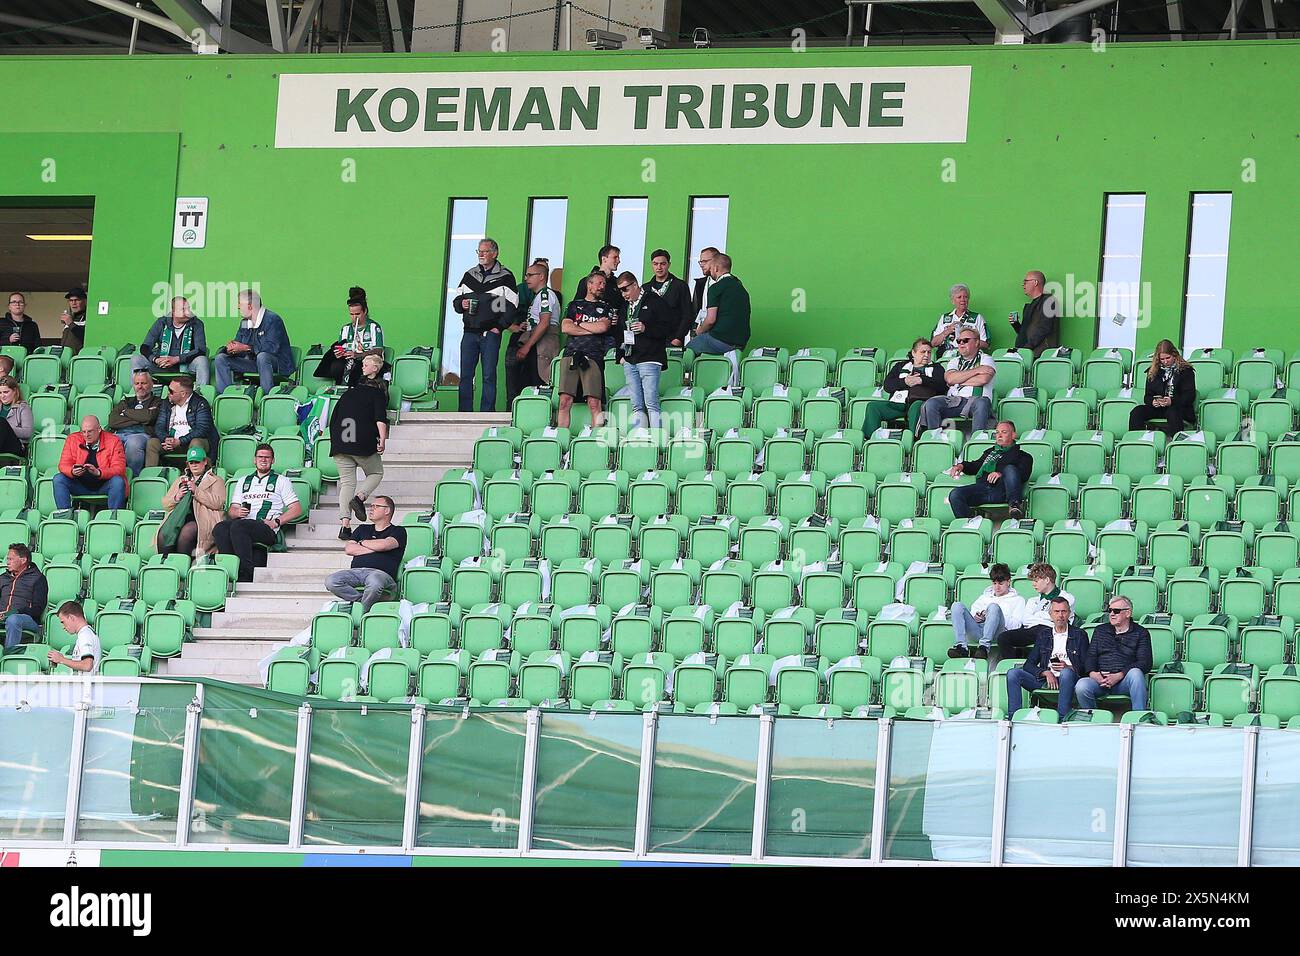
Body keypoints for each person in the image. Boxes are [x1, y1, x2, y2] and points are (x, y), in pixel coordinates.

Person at [212, 443, 302, 583]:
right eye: (260, 457)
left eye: (267, 457)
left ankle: (245, 573)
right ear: (254, 459)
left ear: (273, 460)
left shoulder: (281, 481)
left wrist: (275, 522)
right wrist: (237, 512)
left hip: (265, 527)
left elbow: (296, 509)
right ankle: (229, 570)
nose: (263, 460)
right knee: (220, 528)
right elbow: (232, 510)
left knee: (239, 527)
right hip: (243, 525)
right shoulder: (243, 481)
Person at [453, 238, 519, 412]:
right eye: (479, 251)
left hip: (490, 334)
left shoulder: (506, 276)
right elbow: (457, 300)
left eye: (485, 251)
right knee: (466, 375)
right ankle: (464, 413)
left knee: (489, 375)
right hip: (469, 333)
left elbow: (512, 306)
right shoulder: (469, 274)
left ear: (495, 253)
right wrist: (462, 304)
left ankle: (486, 414)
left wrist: (499, 327)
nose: (481, 254)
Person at [329, 351, 388, 540]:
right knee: (376, 472)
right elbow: (380, 419)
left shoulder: (348, 393)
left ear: (375, 368)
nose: (363, 366)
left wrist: (336, 441)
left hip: (340, 442)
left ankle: (345, 526)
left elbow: (334, 418)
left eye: (367, 363)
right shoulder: (378, 393)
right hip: (361, 443)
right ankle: (360, 498)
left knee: (347, 483)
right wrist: (383, 439)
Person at [1005, 596, 1089, 719]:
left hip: (1070, 678)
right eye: (1056, 611)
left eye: (1063, 611)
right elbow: (1029, 665)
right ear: (1050, 614)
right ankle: (1014, 719)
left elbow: (1087, 666)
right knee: (1013, 673)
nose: (1060, 615)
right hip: (1047, 680)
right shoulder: (1044, 635)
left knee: (1066, 673)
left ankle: (1062, 718)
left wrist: (1069, 667)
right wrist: (1045, 672)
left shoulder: (1080, 635)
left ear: (1069, 614)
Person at [324, 495, 407, 612]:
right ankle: (363, 604)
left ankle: (361, 613)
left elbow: (384, 545)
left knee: (374, 582)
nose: (371, 509)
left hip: (381, 574)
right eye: (371, 506)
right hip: (356, 572)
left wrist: (362, 542)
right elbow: (349, 549)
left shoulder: (398, 531)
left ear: (387, 510)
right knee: (331, 581)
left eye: (376, 506)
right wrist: (376, 547)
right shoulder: (362, 528)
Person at [615, 271, 672, 431]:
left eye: (625, 289)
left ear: (635, 285)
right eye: (620, 290)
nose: (623, 294)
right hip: (630, 358)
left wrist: (646, 328)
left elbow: (667, 328)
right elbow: (619, 332)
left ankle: (655, 438)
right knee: (636, 404)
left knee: (651, 402)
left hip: (649, 358)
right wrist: (621, 356)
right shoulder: (625, 306)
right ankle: (640, 436)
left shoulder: (655, 301)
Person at [557, 271, 614, 430]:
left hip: (594, 356)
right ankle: (562, 440)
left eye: (604, 283)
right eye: (599, 283)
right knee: (564, 402)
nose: (602, 286)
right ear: (589, 285)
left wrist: (578, 325)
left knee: (594, 402)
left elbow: (603, 327)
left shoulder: (606, 307)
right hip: (571, 354)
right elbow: (565, 327)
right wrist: (592, 329)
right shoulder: (574, 305)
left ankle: (596, 439)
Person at [1075, 596, 1152, 712]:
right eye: (1109, 610)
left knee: (1136, 673)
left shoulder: (1141, 633)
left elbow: (1145, 663)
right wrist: (1093, 674)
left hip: (1124, 681)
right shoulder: (1100, 630)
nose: (1111, 614)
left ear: (1128, 613)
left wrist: (1119, 675)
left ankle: (1139, 717)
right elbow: (1091, 656)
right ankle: (1093, 718)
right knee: (1082, 686)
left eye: (1116, 611)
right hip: (1101, 681)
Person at [946, 420, 1034, 519]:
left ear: (1013, 435)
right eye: (997, 432)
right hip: (983, 488)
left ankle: (1014, 505)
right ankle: (970, 524)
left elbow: (1023, 474)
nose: (999, 435)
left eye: (1004, 432)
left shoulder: (1024, 456)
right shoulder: (991, 452)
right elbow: (977, 465)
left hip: (1004, 491)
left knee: (1010, 469)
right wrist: (961, 466)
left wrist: (1001, 474)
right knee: (955, 494)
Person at [861, 338, 946, 438]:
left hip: (920, 403)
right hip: (898, 404)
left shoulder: (937, 368)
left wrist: (922, 380)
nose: (926, 355)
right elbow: (888, 386)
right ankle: (871, 440)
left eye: (929, 352)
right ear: (914, 353)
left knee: (917, 406)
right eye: (923, 352)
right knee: (873, 406)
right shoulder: (900, 366)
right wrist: (905, 381)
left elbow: (942, 386)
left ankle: (913, 440)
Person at [214, 290, 294, 394]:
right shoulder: (245, 322)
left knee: (263, 357)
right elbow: (239, 342)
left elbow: (272, 348)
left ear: (250, 306)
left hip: (277, 363)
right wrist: (232, 348)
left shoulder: (273, 319)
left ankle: (266, 397)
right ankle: (226, 397)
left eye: (240, 303)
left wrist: (245, 348)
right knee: (221, 359)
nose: (238, 307)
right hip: (254, 362)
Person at [505, 260, 562, 403]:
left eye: (530, 275)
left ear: (541, 276)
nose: (526, 278)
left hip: (541, 346)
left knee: (539, 383)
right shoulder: (538, 295)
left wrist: (526, 346)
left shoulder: (545, 295)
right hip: (535, 344)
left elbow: (544, 323)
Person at [996, 563, 1075, 662]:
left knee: (1044, 635)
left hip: (1052, 631)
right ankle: (1013, 664)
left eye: (1036, 581)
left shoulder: (1067, 598)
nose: (1033, 584)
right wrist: (1046, 616)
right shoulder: (1032, 600)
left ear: (1047, 580)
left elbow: (1059, 618)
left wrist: (1037, 615)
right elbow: (1025, 620)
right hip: (1032, 630)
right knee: (1003, 637)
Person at [920, 329, 997, 432]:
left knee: (982, 402)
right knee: (931, 403)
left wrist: (958, 379)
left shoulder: (986, 359)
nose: (961, 343)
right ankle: (936, 440)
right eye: (958, 341)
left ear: (977, 342)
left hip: (976, 400)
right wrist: (977, 370)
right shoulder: (954, 361)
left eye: (965, 340)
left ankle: (977, 441)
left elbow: (983, 379)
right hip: (954, 400)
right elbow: (950, 379)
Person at [158, 446, 227, 557]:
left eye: (197, 462)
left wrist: (196, 491)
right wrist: (177, 497)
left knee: (187, 532)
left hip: (204, 518)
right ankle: (166, 565)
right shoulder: (181, 480)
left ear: (205, 462)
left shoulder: (216, 480)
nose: (194, 465)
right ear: (187, 464)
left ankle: (183, 566)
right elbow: (165, 504)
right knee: (163, 534)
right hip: (180, 517)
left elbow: (218, 503)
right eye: (191, 462)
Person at [947, 563, 1026, 660]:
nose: (997, 587)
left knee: (993, 607)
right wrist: (978, 617)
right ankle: (961, 647)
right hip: (979, 630)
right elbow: (973, 613)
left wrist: (995, 616)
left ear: (1008, 582)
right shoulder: (984, 597)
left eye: (1000, 583)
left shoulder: (1018, 600)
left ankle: (984, 647)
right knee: (956, 605)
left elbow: (1016, 625)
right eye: (994, 583)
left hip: (1000, 632)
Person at [133, 296, 210, 385]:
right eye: (183, 310)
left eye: (188, 308)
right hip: (161, 364)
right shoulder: (161, 322)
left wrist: (177, 359)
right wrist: (156, 360)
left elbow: (201, 350)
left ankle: (201, 394)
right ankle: (136, 394)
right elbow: (145, 347)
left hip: (185, 365)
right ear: (173, 312)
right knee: (136, 359)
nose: (188, 312)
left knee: (202, 360)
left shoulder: (197, 323)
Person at [55, 416, 127, 511]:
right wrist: (72, 471)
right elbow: (63, 464)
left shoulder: (114, 441)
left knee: (118, 481)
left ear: (99, 429)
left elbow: (119, 469)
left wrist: (99, 472)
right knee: (58, 479)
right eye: (83, 432)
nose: (86, 435)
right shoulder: (72, 439)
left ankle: (114, 517)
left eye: (90, 431)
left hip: (104, 485)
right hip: (80, 485)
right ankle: (64, 516)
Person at [316, 286, 384, 388]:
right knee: (336, 366)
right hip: (348, 361)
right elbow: (341, 348)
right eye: (351, 314)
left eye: (357, 314)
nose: (354, 317)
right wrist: (339, 353)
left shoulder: (374, 327)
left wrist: (358, 355)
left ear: (364, 311)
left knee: (358, 368)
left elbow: (378, 351)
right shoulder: (346, 329)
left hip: (365, 361)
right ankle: (340, 391)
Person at [689, 252, 751, 360]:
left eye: (711, 268)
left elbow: (710, 320)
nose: (711, 271)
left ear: (716, 268)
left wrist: (699, 331)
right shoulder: (742, 289)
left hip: (720, 339)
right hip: (741, 342)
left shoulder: (715, 288)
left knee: (686, 352)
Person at [1129, 339, 1197, 436]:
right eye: (1162, 359)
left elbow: (1189, 396)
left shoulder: (1186, 371)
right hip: (1159, 408)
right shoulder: (1153, 372)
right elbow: (1147, 396)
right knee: (1137, 411)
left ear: (1174, 355)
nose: (1165, 362)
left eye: (1168, 358)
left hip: (1179, 408)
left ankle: (1176, 444)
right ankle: (1136, 440)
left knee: (1172, 412)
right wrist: (1153, 401)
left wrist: (1171, 401)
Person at [147, 375, 216, 469]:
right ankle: (151, 478)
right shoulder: (166, 403)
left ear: (183, 394)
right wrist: (166, 438)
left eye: (171, 391)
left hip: (191, 442)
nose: (168, 393)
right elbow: (159, 425)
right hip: (172, 442)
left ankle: (197, 476)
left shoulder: (200, 403)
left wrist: (180, 441)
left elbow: (202, 430)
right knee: (152, 443)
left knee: (196, 442)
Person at [107, 370, 164, 477]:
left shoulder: (158, 401)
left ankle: (133, 477)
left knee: (134, 443)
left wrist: (126, 413)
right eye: (137, 383)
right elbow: (112, 421)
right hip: (120, 433)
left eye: (144, 383)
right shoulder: (126, 401)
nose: (140, 386)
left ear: (151, 385)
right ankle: (110, 476)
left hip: (142, 434)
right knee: (108, 442)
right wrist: (141, 418)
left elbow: (150, 417)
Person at [0, 543, 48, 652]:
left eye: (11, 559)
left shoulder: (38, 578)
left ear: (23, 560)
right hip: (2, 617)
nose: (7, 562)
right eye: (7, 559)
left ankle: (9, 659)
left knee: (13, 619)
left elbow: (38, 609)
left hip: (26, 619)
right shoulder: (3, 578)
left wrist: (14, 612)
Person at [645, 249, 694, 348]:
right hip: (650, 341)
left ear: (669, 264)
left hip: (672, 340)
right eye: (655, 264)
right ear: (652, 265)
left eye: (662, 264)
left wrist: (678, 338)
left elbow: (687, 314)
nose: (659, 267)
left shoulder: (680, 286)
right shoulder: (646, 288)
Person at [1009, 270, 1060, 358]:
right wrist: (1015, 324)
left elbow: (1044, 328)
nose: (1023, 285)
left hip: (1040, 355)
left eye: (1026, 281)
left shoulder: (1049, 301)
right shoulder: (1030, 305)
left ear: (1035, 282)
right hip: (1025, 353)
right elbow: (1025, 332)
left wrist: (1027, 347)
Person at [930, 283, 988, 355]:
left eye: (965, 297)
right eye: (959, 297)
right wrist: (947, 331)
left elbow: (986, 344)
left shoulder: (977, 317)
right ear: (953, 301)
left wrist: (969, 340)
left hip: (970, 356)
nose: (963, 300)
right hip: (947, 356)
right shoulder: (944, 318)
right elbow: (933, 343)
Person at [48, 601, 101, 675]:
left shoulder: (85, 635)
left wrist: (62, 660)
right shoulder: (87, 632)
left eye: (63, 622)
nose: (63, 627)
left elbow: (87, 665)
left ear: (71, 617)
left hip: (87, 685)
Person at [575, 245, 626, 320]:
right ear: (604, 259)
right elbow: (577, 306)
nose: (618, 261)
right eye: (615, 257)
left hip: (612, 329)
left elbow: (622, 308)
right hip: (589, 327)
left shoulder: (617, 283)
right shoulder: (586, 281)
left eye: (618, 258)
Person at [0, 377, 33, 459]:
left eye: (6, 392)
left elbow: (27, 432)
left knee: (2, 422)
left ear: (14, 391)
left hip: (17, 446)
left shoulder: (23, 408)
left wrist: (8, 428)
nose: (2, 396)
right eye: (0, 393)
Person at [690, 247, 720, 334]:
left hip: (719, 334)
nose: (702, 264)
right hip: (700, 332)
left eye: (705, 261)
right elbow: (695, 309)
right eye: (700, 261)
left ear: (716, 261)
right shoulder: (700, 283)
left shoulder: (728, 283)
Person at [60, 287, 88, 355]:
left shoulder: (89, 317)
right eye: (71, 300)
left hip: (78, 360)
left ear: (84, 301)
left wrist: (71, 324)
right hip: (65, 358)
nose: (73, 303)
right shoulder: (71, 317)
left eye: (77, 300)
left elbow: (86, 338)